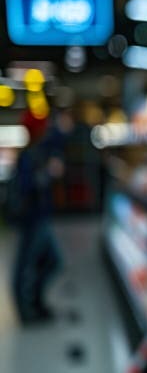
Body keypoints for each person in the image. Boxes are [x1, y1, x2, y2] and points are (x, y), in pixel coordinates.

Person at [11, 109, 64, 324]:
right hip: (33, 220)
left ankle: (35, 302)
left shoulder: (37, 151)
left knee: (50, 262)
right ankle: (27, 309)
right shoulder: (28, 156)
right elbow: (28, 187)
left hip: (40, 218)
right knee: (27, 265)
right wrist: (48, 174)